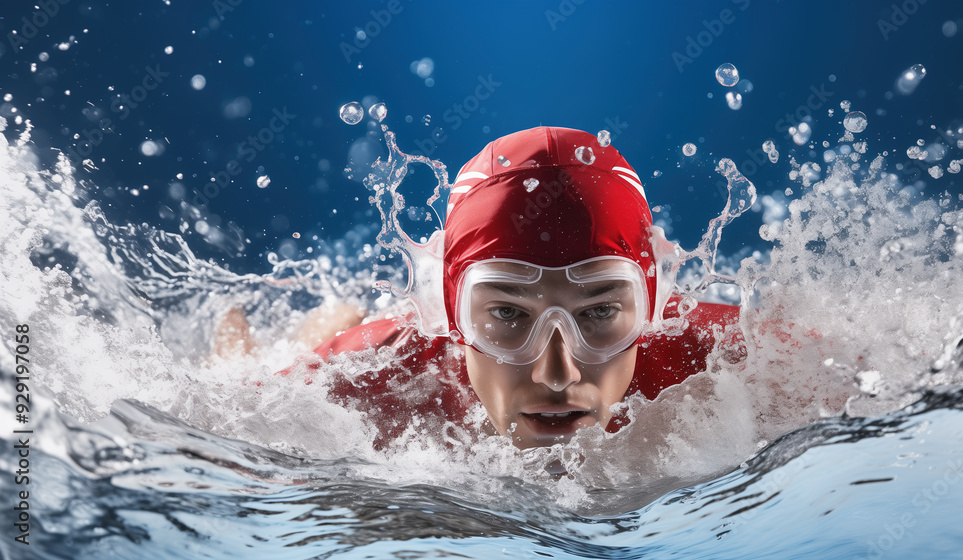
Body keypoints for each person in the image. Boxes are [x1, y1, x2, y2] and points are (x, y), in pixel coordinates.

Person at [237, 127, 743, 449]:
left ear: (653, 304)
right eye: (508, 314)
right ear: (446, 310)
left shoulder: (734, 363)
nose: (557, 374)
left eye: (598, 312)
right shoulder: (375, 375)